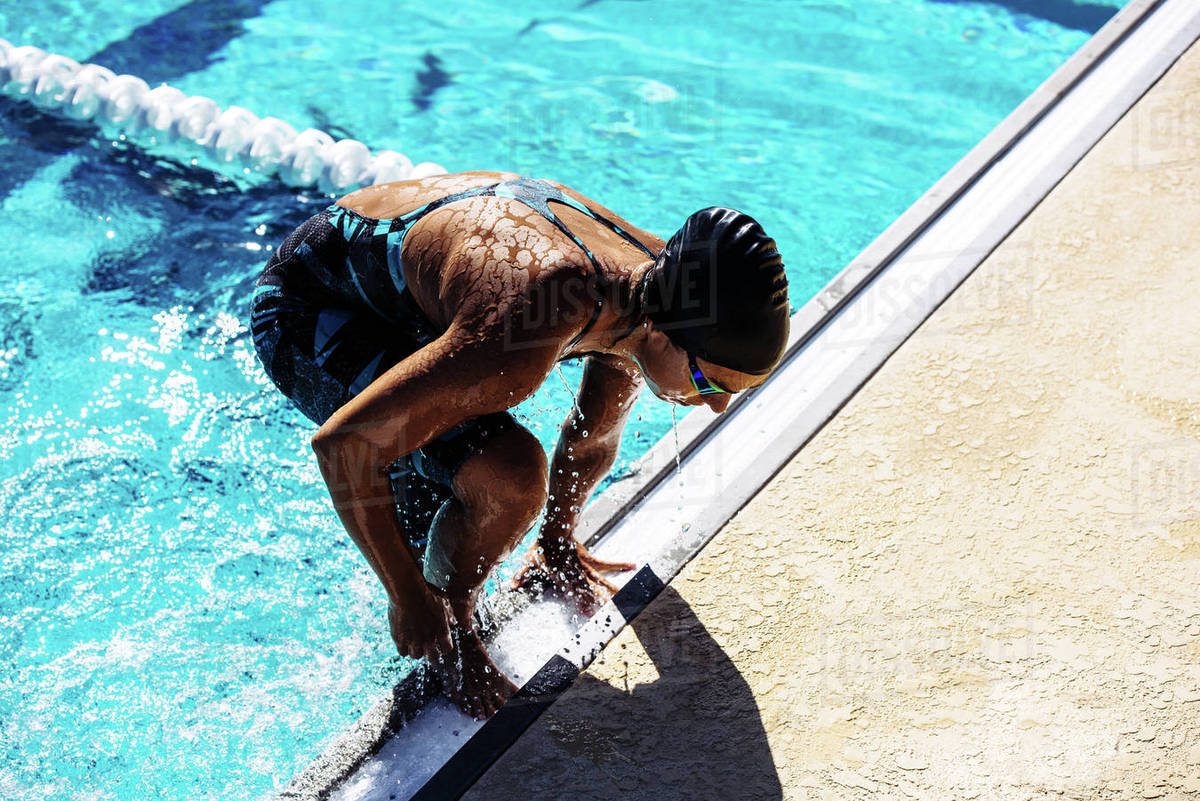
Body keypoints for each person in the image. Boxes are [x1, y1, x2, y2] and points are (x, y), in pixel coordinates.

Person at [249, 170, 790, 718]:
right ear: (661, 332)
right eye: (708, 383)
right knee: (509, 476)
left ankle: (452, 537)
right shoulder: (529, 320)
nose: (717, 404)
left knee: (469, 459)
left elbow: (593, 436)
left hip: (405, 288)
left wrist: (556, 544)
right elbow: (344, 447)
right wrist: (408, 597)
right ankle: (454, 626)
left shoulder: (655, 288)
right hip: (309, 303)